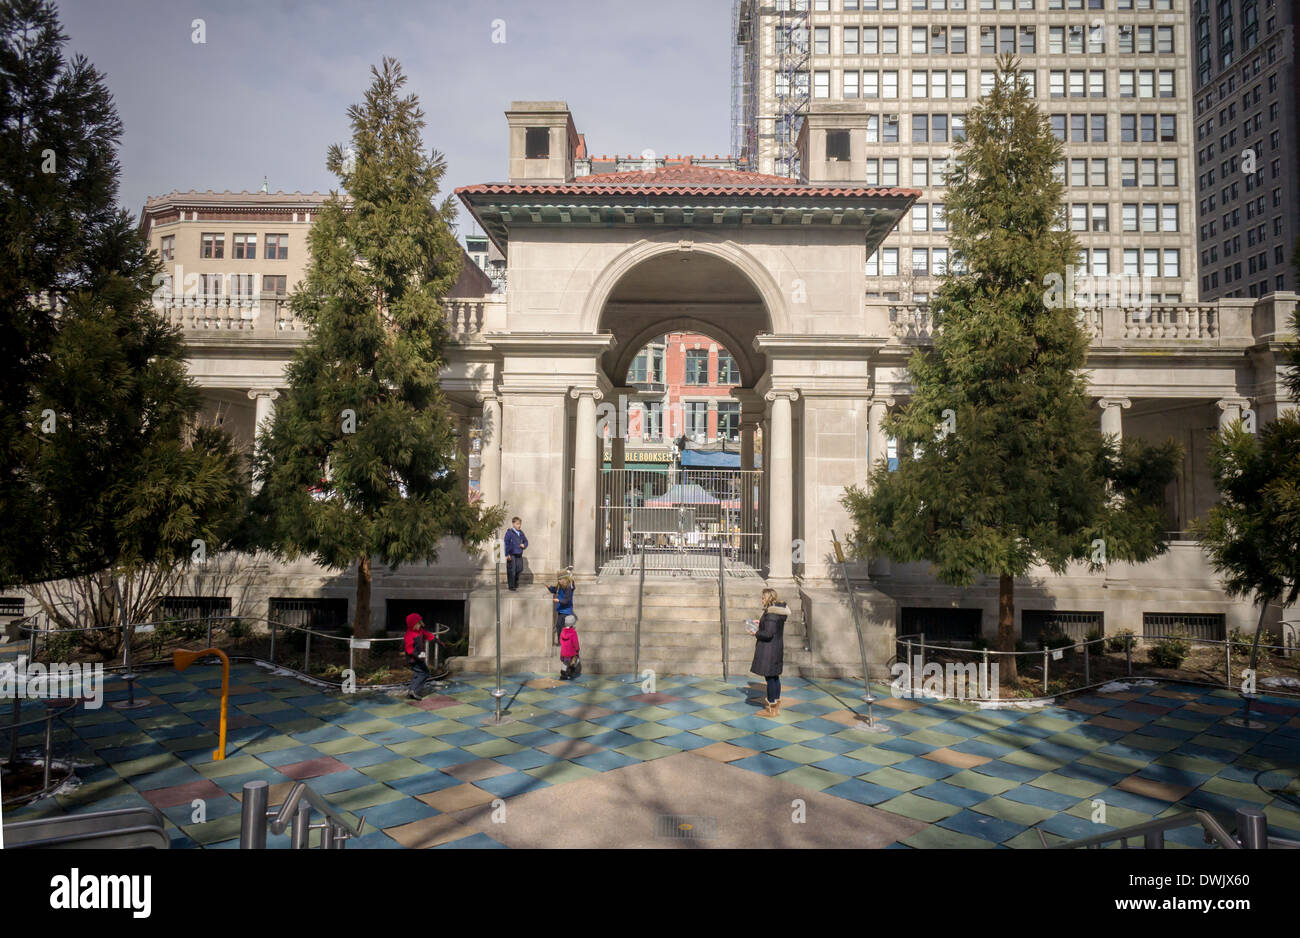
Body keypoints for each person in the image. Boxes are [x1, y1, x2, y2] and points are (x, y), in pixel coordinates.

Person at [749, 588, 789, 717]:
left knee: (770, 678)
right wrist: (760, 623)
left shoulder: (771, 614)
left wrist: (756, 632)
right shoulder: (777, 612)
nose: (762, 600)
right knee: (774, 678)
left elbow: (768, 634)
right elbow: (772, 627)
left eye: (763, 598)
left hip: (769, 650)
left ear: (768, 598)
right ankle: (775, 708)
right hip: (775, 649)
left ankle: (770, 709)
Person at [404, 612, 439, 699]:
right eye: (418, 624)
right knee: (424, 673)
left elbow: (427, 634)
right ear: (414, 625)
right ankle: (414, 691)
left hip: (419, 657)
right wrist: (417, 655)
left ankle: (411, 691)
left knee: (417, 674)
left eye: (420, 624)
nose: (420, 626)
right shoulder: (409, 634)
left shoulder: (420, 631)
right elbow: (409, 649)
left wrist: (436, 640)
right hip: (413, 659)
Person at [547, 572, 576, 647]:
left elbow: (567, 599)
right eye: (558, 579)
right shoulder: (560, 586)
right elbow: (555, 590)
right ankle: (562, 642)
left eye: (560, 579)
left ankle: (564, 642)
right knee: (559, 626)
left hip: (566, 610)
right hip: (561, 609)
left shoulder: (568, 588)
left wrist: (559, 601)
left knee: (561, 626)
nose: (558, 581)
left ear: (564, 579)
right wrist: (549, 587)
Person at [504, 517, 528, 590]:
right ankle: (511, 586)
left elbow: (526, 541)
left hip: (519, 554)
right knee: (512, 570)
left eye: (520, 524)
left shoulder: (521, 533)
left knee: (520, 569)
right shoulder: (509, 532)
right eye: (517, 524)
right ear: (513, 524)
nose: (519, 525)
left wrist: (524, 545)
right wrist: (507, 554)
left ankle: (515, 581)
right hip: (511, 554)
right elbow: (506, 543)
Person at [558, 615, 581, 680]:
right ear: (573, 623)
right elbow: (575, 642)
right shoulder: (573, 632)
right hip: (571, 652)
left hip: (564, 652)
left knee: (565, 662)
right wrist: (577, 649)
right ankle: (570, 672)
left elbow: (561, 641)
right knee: (576, 661)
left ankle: (563, 674)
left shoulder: (562, 632)